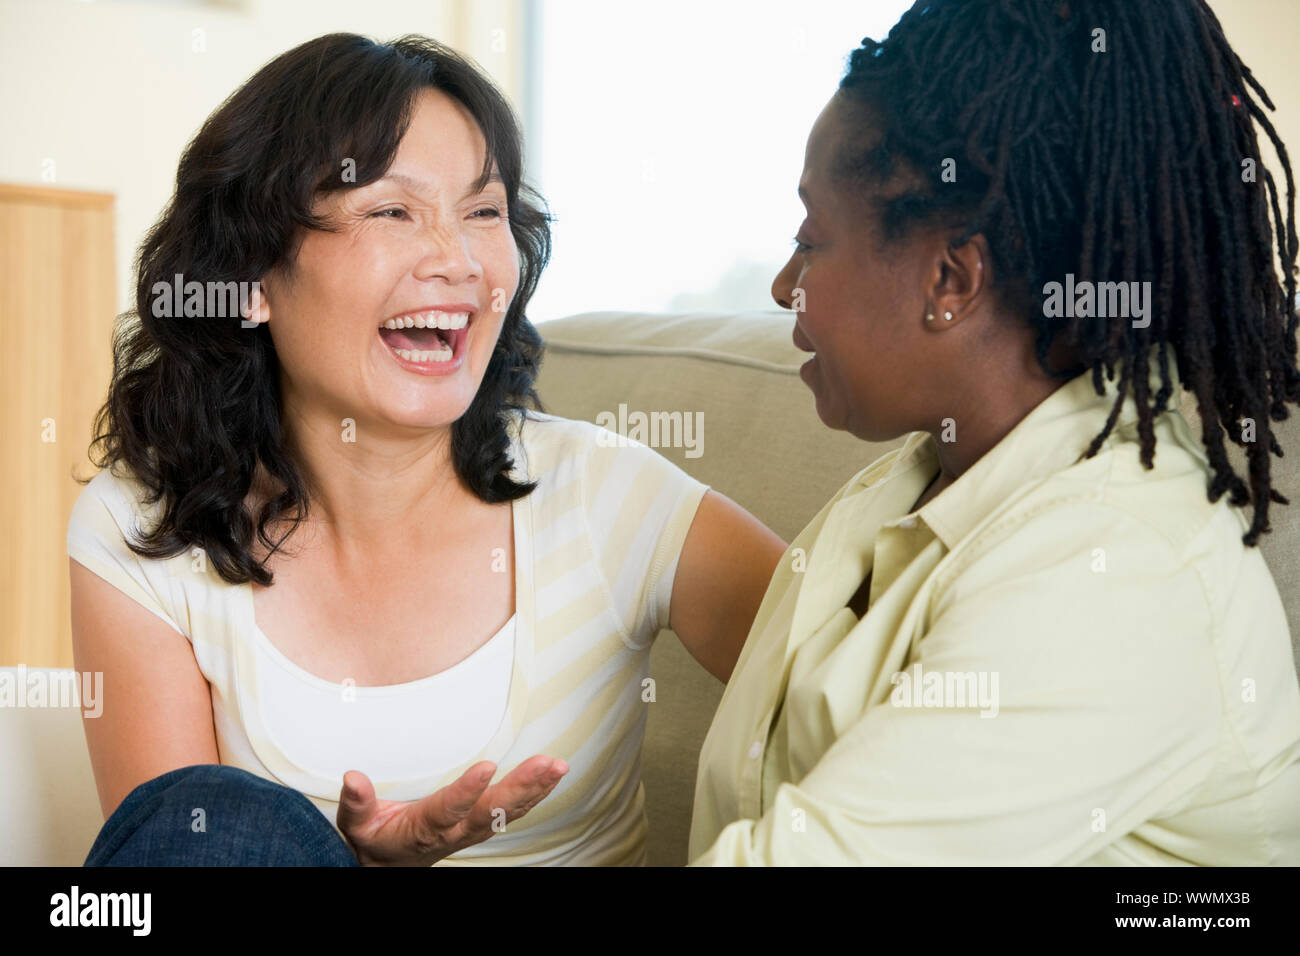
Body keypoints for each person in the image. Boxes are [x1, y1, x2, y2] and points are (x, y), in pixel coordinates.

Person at [69, 32, 785, 867]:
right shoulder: (139, 531)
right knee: (217, 821)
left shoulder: (609, 495)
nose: (458, 262)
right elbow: (171, 854)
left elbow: (860, 689)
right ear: (252, 276)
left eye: (484, 213)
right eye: (391, 211)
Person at [689, 0, 1300, 865]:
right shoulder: (921, 484)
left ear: (951, 277)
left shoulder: (1117, 566)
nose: (786, 283)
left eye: (811, 239)